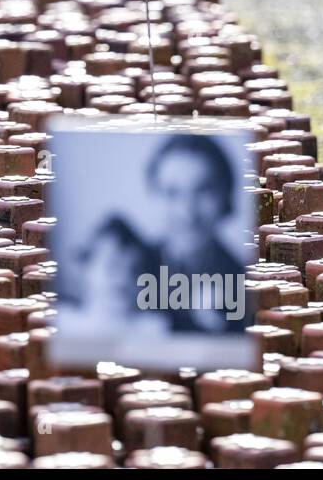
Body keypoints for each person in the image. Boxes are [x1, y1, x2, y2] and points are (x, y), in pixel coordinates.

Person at [63, 134, 243, 333]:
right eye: (171, 193)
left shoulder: (246, 287)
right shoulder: (130, 267)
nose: (187, 211)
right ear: (154, 197)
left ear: (226, 196)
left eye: (203, 191)